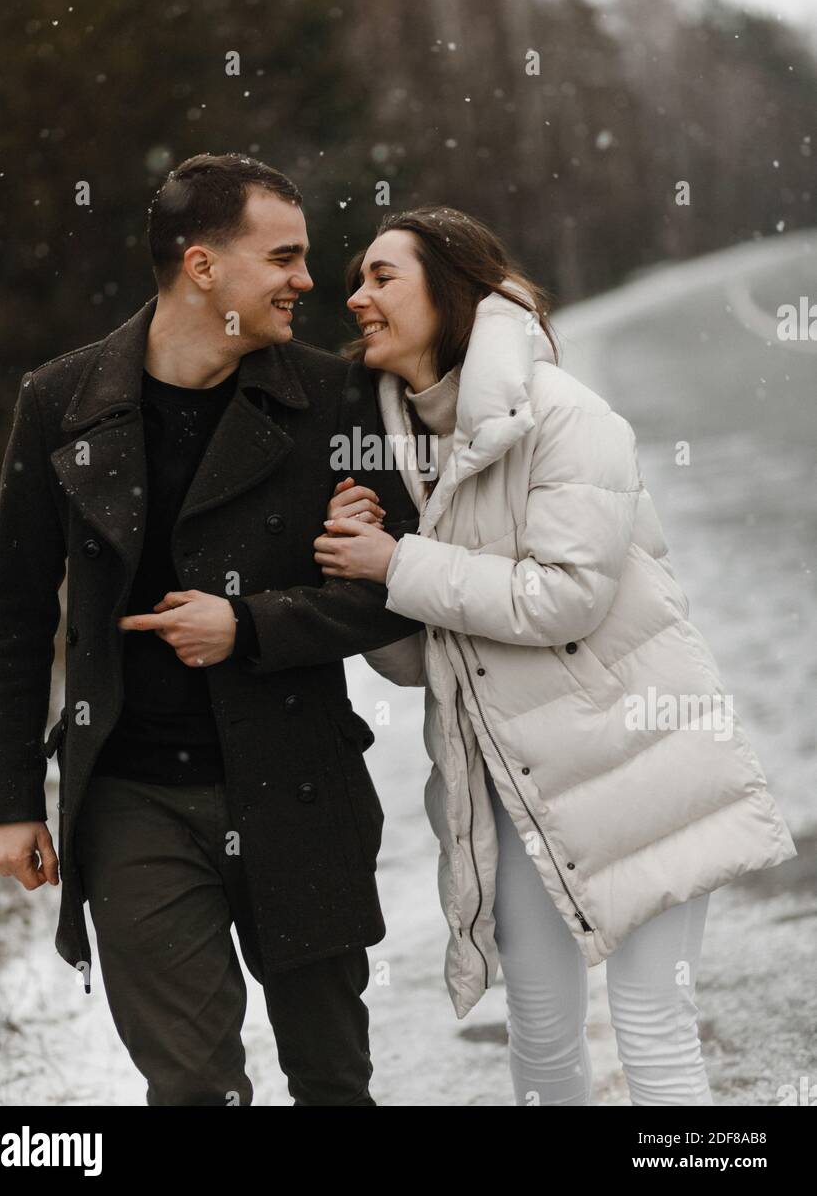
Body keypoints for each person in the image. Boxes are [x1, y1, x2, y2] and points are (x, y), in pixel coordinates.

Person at [314, 205, 798, 1107]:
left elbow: (564, 597)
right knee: (538, 1029)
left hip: (636, 762)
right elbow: (434, 662)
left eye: (383, 276)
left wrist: (402, 563)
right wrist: (369, 575)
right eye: (357, 279)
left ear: (451, 291)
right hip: (516, 788)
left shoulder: (566, 418)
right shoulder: (401, 450)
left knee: (652, 1019)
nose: (356, 298)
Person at [0, 153, 424, 1106]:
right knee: (192, 1090)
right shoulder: (60, 403)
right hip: (132, 798)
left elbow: (401, 588)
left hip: (297, 780)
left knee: (334, 1081)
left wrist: (250, 626)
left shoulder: (333, 399)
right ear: (203, 268)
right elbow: (16, 613)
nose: (311, 280)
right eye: (285, 256)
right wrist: (11, 798)